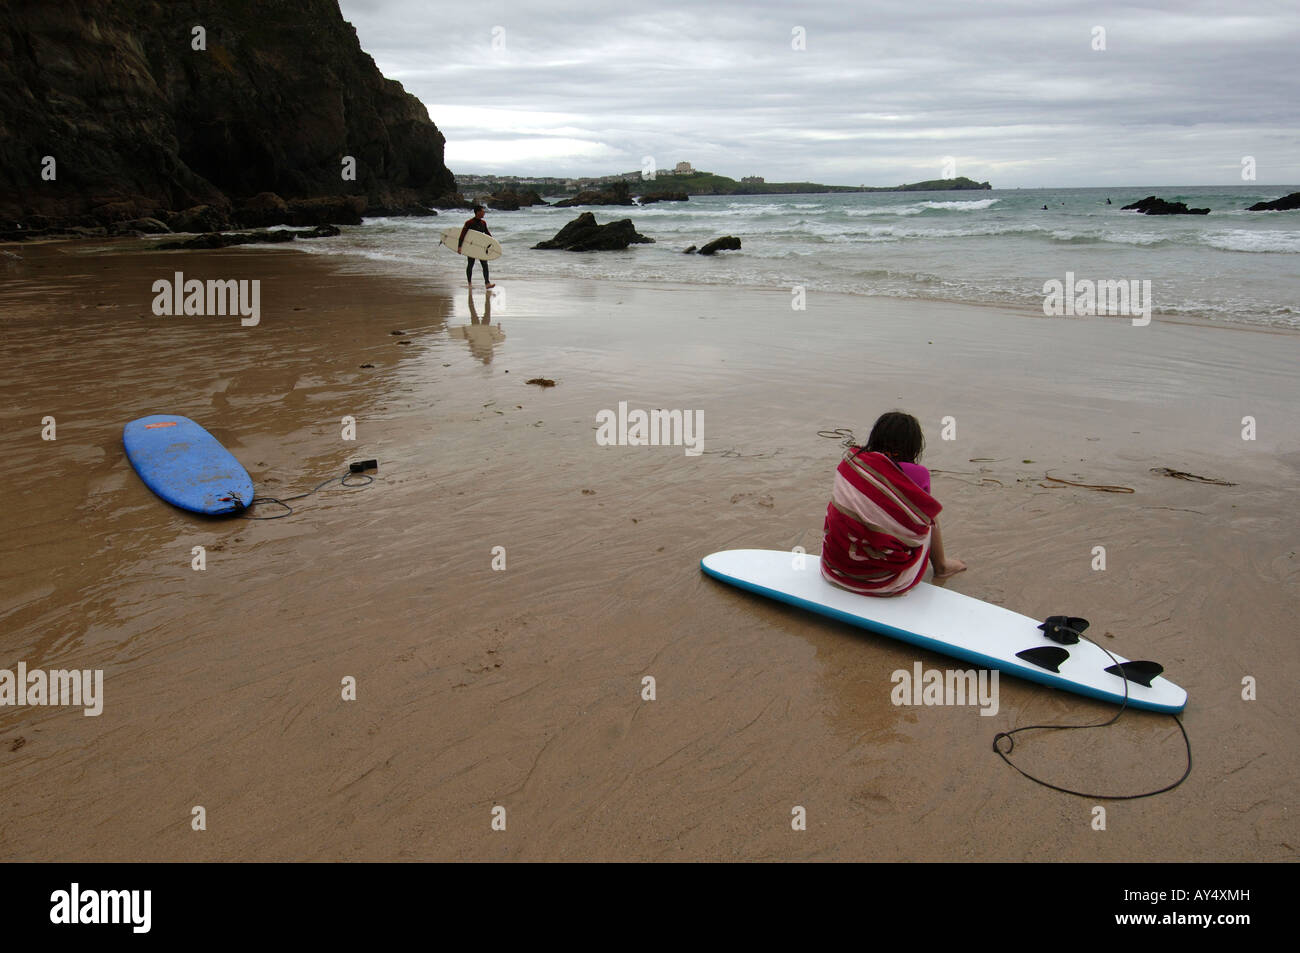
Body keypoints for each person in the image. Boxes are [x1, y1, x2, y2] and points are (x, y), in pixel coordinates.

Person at [821, 411, 966, 596]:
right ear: (913, 446)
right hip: (882, 581)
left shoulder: (853, 460)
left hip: (835, 568)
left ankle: (853, 561)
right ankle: (942, 565)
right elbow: (919, 526)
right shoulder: (918, 474)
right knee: (928, 516)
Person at [458, 205, 495, 289]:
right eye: (482, 211)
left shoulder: (483, 223)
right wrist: (459, 246)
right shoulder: (469, 222)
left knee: (485, 265)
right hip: (471, 247)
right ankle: (469, 283)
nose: (484, 213)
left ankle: (487, 283)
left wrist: (493, 243)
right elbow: (463, 235)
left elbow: (487, 234)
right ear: (478, 212)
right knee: (470, 264)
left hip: (481, 247)